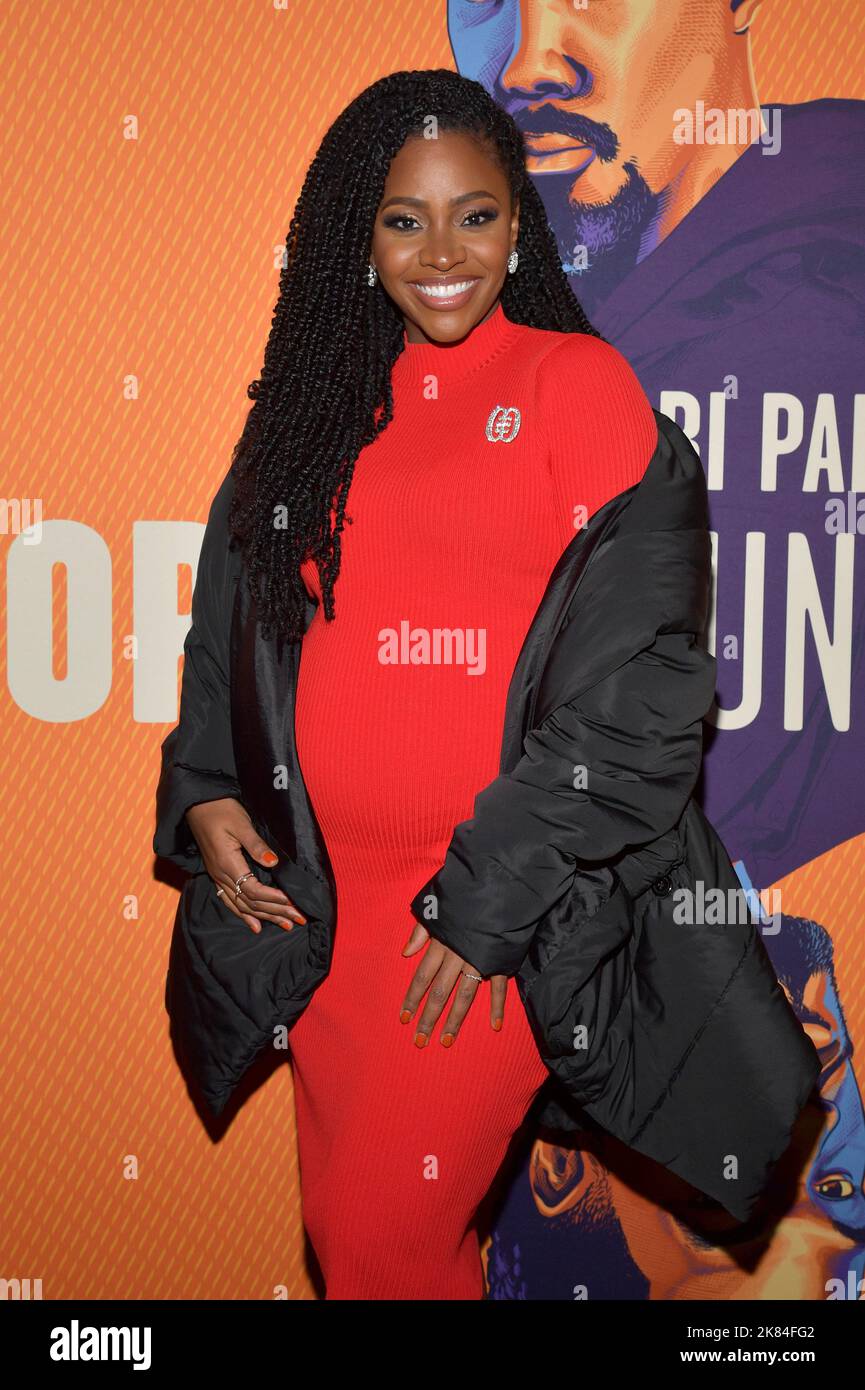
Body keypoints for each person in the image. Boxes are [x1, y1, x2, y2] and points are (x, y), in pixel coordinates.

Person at [173, 68, 663, 1300]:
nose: (442, 250)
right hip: (323, 916)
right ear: (358, 234)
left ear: (519, 225)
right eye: (403, 218)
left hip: (480, 920)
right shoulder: (312, 408)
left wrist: (487, 905)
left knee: (378, 1246)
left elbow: (643, 684)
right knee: (368, 1251)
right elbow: (230, 630)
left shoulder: (575, 388)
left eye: (477, 214)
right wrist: (205, 789)